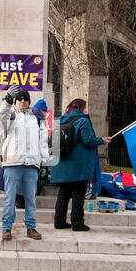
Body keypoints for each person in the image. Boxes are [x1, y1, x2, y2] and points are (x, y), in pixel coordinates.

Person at [0, 85, 49, 241]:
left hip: (31, 164)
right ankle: (6, 228)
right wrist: (7, 100)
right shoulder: (12, 116)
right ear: (15, 101)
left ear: (29, 101)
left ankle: (31, 227)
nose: (22, 101)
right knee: (9, 197)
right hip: (13, 162)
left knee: (30, 198)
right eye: (19, 98)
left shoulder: (37, 119)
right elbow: (2, 117)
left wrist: (44, 162)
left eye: (25, 98)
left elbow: (42, 142)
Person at [50, 98, 110, 231]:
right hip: (78, 165)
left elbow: (53, 143)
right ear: (81, 108)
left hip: (61, 164)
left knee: (63, 193)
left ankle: (59, 221)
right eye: (85, 107)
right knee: (78, 193)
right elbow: (88, 140)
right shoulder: (83, 120)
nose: (86, 110)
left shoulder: (58, 120)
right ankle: (77, 223)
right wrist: (101, 140)